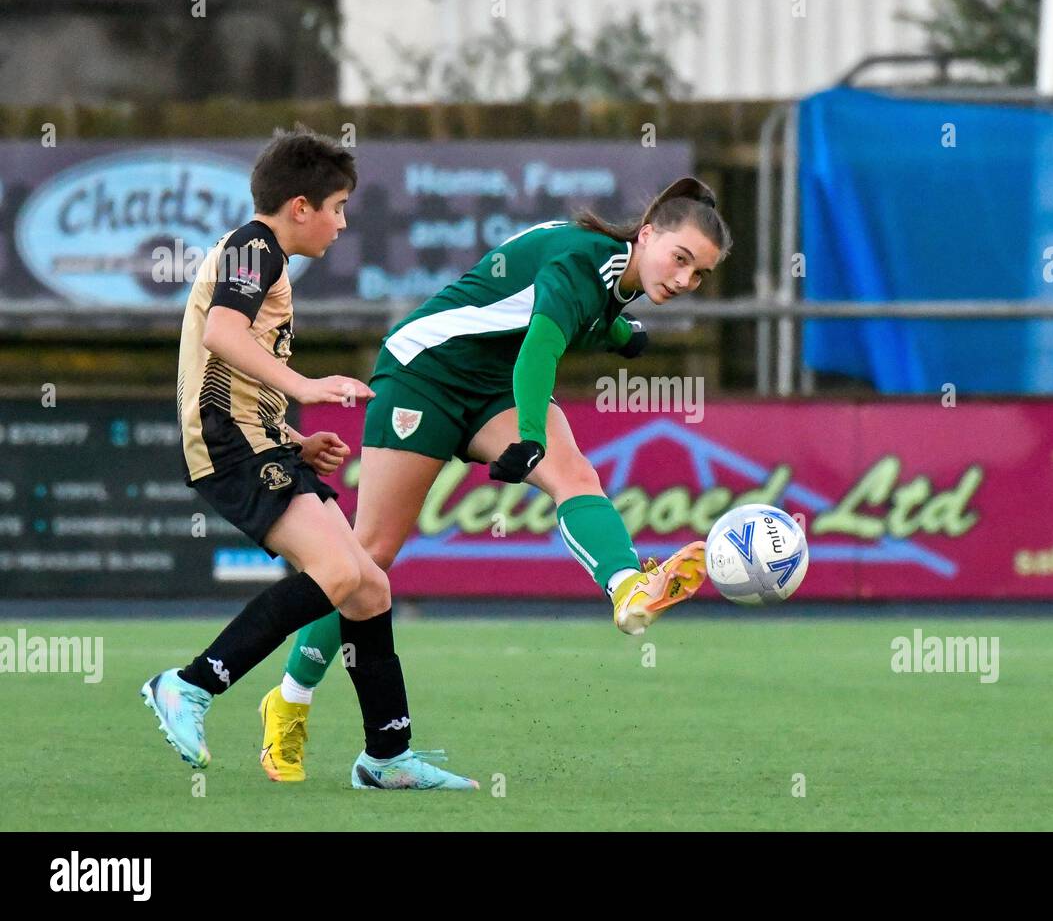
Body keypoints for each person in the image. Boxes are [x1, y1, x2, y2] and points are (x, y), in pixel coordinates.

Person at [257, 177, 732, 782]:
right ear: (646, 235)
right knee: (367, 558)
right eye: (682, 259)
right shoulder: (583, 260)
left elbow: (573, 314)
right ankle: (289, 702)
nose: (687, 280)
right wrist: (529, 434)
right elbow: (540, 346)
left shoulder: (617, 276)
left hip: (489, 388)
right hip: (423, 374)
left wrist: (619, 335)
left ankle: (627, 587)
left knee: (576, 476)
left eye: (701, 275)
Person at [142, 125, 476, 790]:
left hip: (256, 437)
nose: (343, 222)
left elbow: (235, 366)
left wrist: (295, 437)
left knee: (367, 584)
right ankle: (189, 685)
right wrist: (306, 389)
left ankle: (385, 758)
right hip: (228, 442)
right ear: (301, 206)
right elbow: (221, 333)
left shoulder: (266, 259)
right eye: (339, 206)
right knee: (336, 571)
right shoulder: (252, 246)